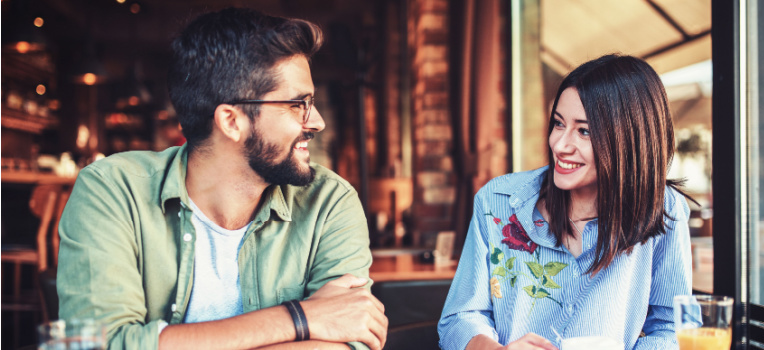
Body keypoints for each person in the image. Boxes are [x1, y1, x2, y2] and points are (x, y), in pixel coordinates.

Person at [57, 8, 387, 350]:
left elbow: (350, 339)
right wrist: (300, 319)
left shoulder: (328, 202)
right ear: (231, 121)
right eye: (297, 104)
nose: (316, 122)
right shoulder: (112, 190)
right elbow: (96, 344)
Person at [438, 54, 694, 350]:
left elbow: (674, 329)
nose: (559, 145)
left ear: (628, 140)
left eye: (584, 131)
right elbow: (459, 319)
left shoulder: (664, 210)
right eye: (559, 124)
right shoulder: (497, 201)